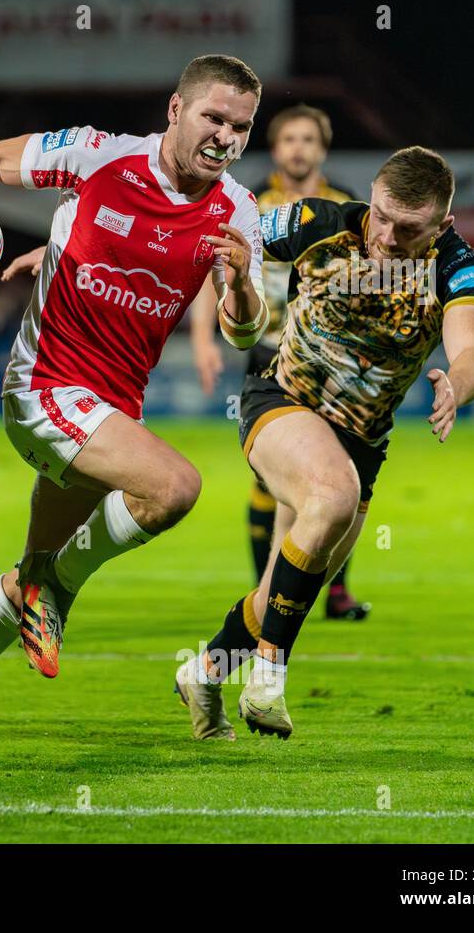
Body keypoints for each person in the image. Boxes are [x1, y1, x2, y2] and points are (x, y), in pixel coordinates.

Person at [0, 55, 268, 757]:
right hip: (46, 389)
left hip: (113, 411)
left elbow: (245, 329)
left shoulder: (238, 211)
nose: (226, 137)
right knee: (175, 487)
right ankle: (58, 591)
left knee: (33, 568)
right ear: (176, 110)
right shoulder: (98, 157)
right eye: (214, 118)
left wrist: (242, 282)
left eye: (241, 127)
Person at [175, 146, 474, 741]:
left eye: (410, 228)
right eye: (381, 216)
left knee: (284, 588)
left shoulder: (460, 266)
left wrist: (460, 382)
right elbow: (202, 229)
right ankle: (268, 676)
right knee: (332, 493)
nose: (389, 237)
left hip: (363, 442)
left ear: (443, 225)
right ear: (370, 196)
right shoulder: (314, 224)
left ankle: (204, 671)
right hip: (282, 403)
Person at [189, 103, 370, 621]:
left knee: (342, 474)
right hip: (270, 350)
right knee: (271, 478)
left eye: (307, 140)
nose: (298, 148)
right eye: (289, 139)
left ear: (322, 149)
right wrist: (204, 339)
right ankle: (267, 588)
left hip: (334, 358)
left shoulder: (344, 208)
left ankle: (334, 592)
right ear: (276, 148)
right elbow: (211, 270)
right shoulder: (249, 204)